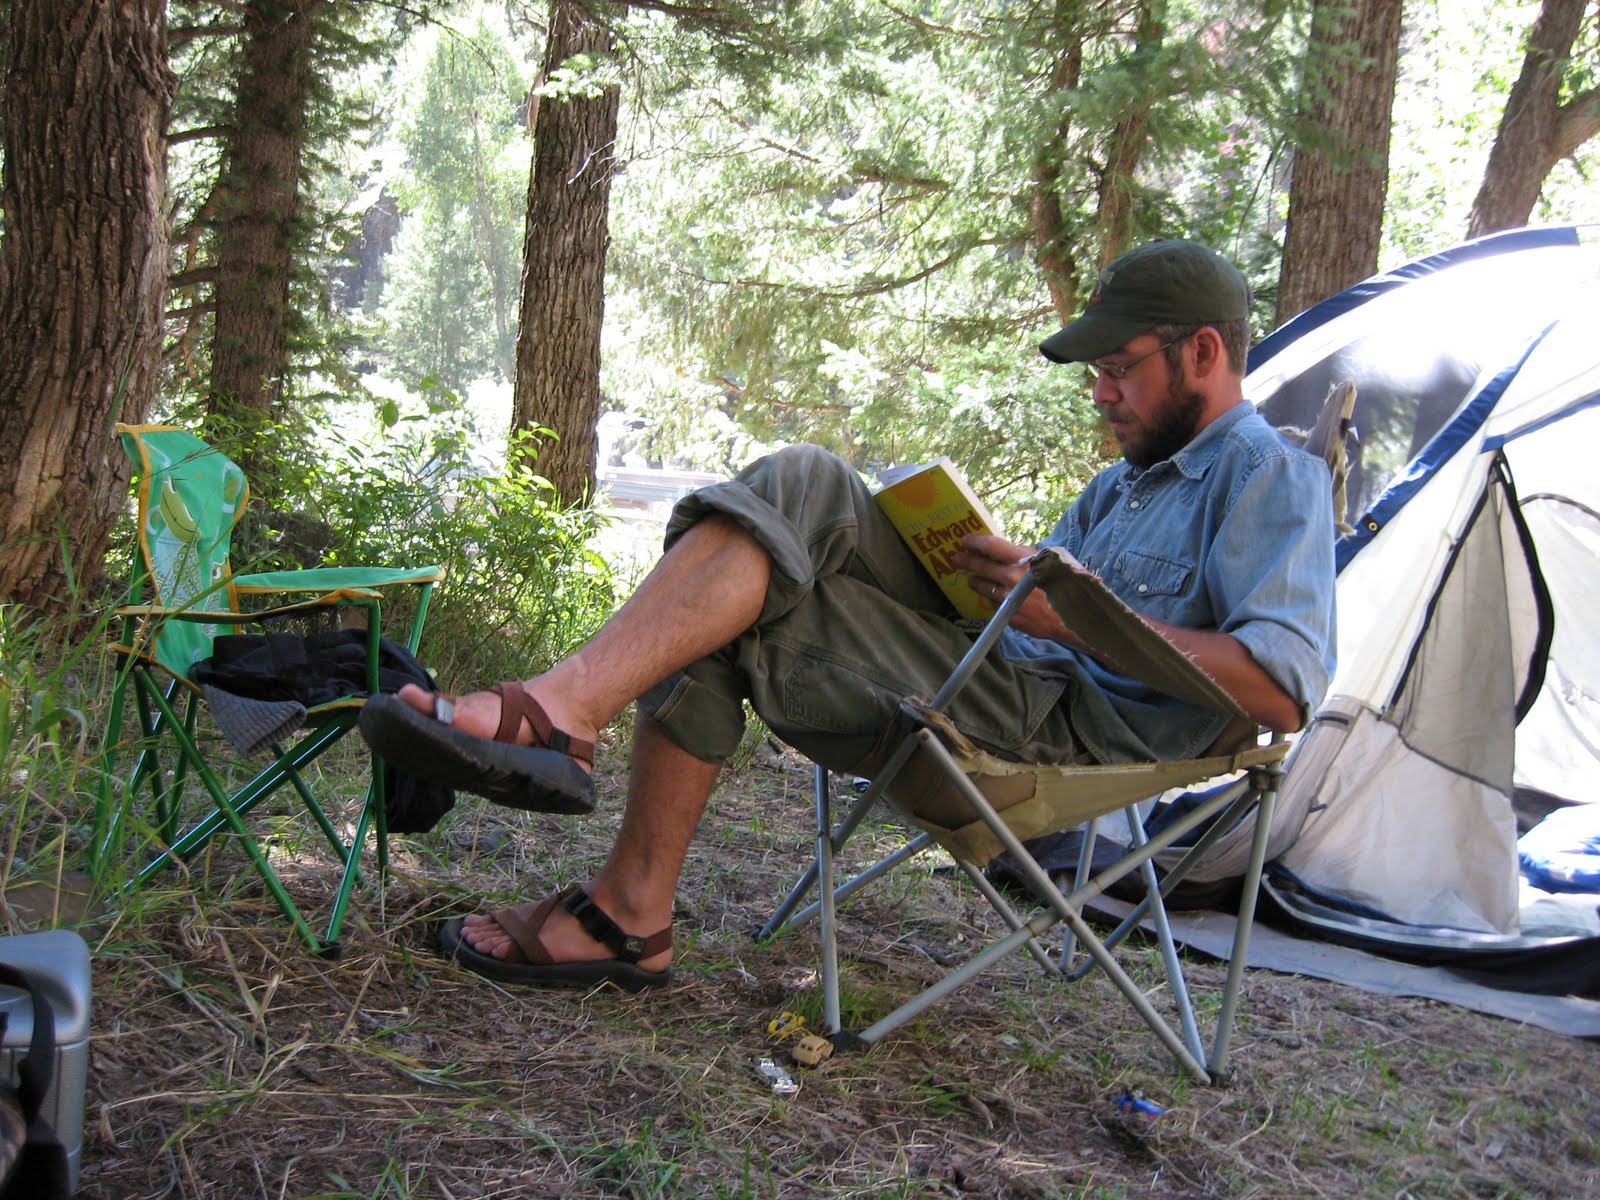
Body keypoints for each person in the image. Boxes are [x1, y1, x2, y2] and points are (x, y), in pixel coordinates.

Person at [359, 238, 1337, 992]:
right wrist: (990, 584)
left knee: (736, 609)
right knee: (804, 481)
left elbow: (1280, 692)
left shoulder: (1269, 478)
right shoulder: (1119, 489)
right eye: (1096, 373)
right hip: (1002, 676)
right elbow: (1042, 620)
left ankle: (618, 882)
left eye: (1118, 366)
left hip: (1064, 740)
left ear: (1202, 352)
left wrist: (1067, 619)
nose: (1102, 392)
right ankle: (572, 738)